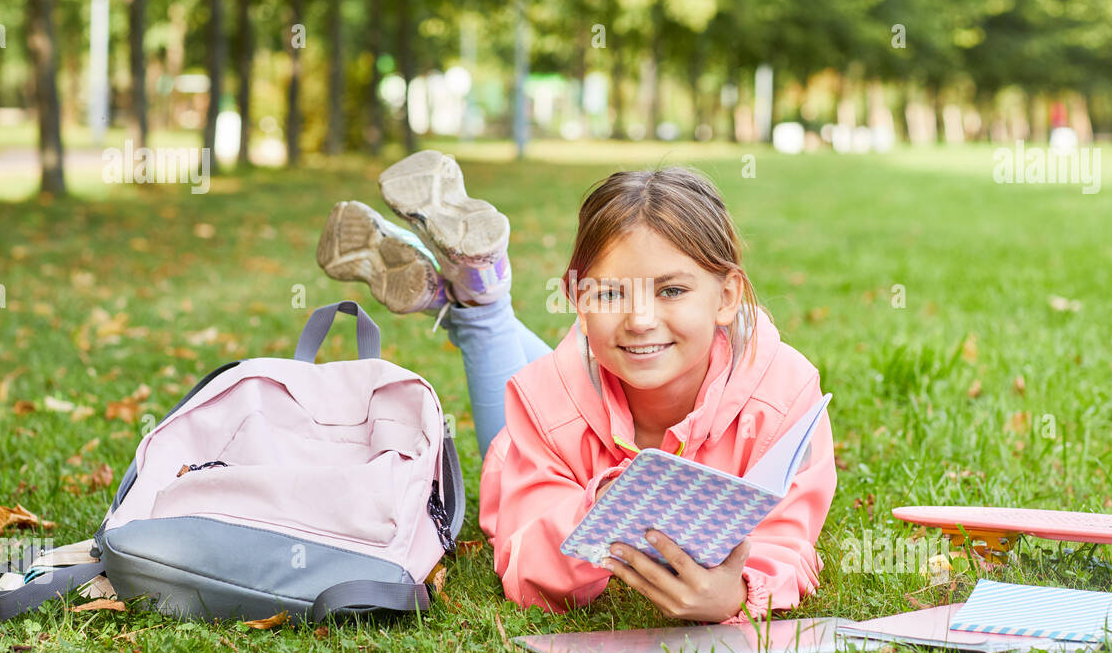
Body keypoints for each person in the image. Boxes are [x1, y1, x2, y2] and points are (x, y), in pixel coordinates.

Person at [316, 150, 837, 624]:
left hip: (587, 395)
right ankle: (478, 294)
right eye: (609, 293)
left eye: (673, 290)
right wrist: (598, 517)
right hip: (550, 441)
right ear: (576, 298)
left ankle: (478, 294)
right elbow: (524, 559)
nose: (640, 319)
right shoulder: (544, 404)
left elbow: (790, 536)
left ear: (726, 297)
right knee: (558, 394)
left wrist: (742, 593)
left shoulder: (783, 393)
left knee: (574, 368)